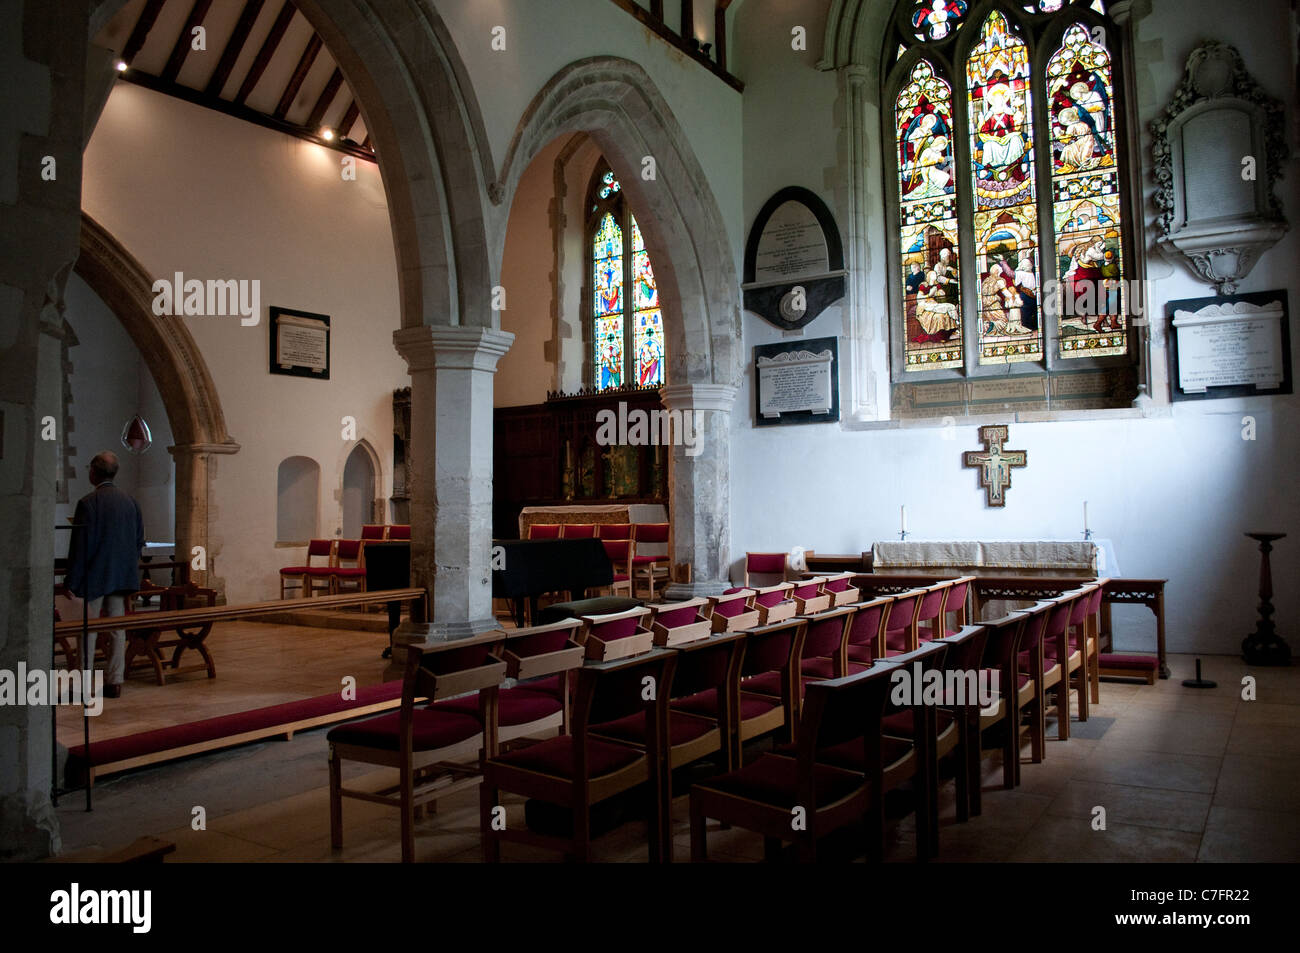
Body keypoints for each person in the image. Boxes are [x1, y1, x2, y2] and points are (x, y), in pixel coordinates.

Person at [64, 451, 144, 699]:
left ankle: (84, 682)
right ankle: (115, 681)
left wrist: (71, 582)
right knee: (116, 629)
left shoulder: (89, 503)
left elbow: (80, 547)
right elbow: (139, 540)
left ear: (93, 472)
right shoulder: (130, 501)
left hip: (95, 577)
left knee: (87, 630)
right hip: (121, 577)